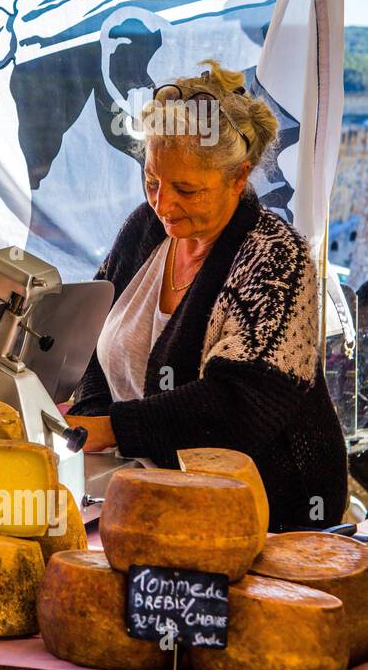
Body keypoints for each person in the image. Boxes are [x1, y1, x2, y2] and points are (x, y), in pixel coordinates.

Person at [66, 61, 347, 531]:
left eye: (187, 190)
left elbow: (238, 408)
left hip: (267, 518)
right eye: (153, 180)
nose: (164, 204)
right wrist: (86, 422)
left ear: (239, 178)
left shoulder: (275, 258)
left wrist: (115, 428)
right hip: (152, 496)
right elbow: (99, 334)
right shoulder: (145, 228)